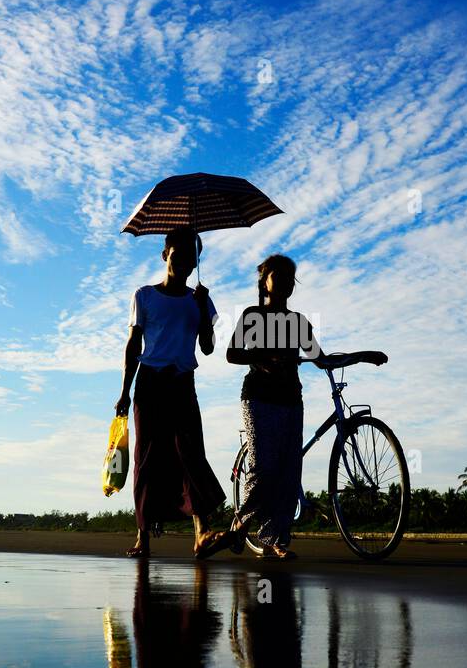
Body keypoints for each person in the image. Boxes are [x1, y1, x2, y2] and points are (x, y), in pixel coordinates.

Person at [222, 254, 386, 559]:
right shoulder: (252, 316)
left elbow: (320, 359)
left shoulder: (297, 322)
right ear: (265, 281)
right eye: (277, 275)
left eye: (289, 277)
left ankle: (275, 540)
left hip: (290, 401)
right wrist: (262, 359)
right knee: (263, 468)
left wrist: (362, 355)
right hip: (258, 398)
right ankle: (240, 525)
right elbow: (232, 354)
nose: (284, 281)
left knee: (288, 470)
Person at [116, 227, 228, 559]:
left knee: (190, 454)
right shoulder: (144, 296)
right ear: (165, 254)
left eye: (190, 258)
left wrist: (203, 315)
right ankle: (143, 536)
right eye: (177, 255)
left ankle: (202, 533)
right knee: (147, 459)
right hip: (150, 383)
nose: (183, 262)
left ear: (196, 263)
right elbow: (133, 345)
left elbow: (207, 348)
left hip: (182, 383)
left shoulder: (200, 300)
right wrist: (124, 392)